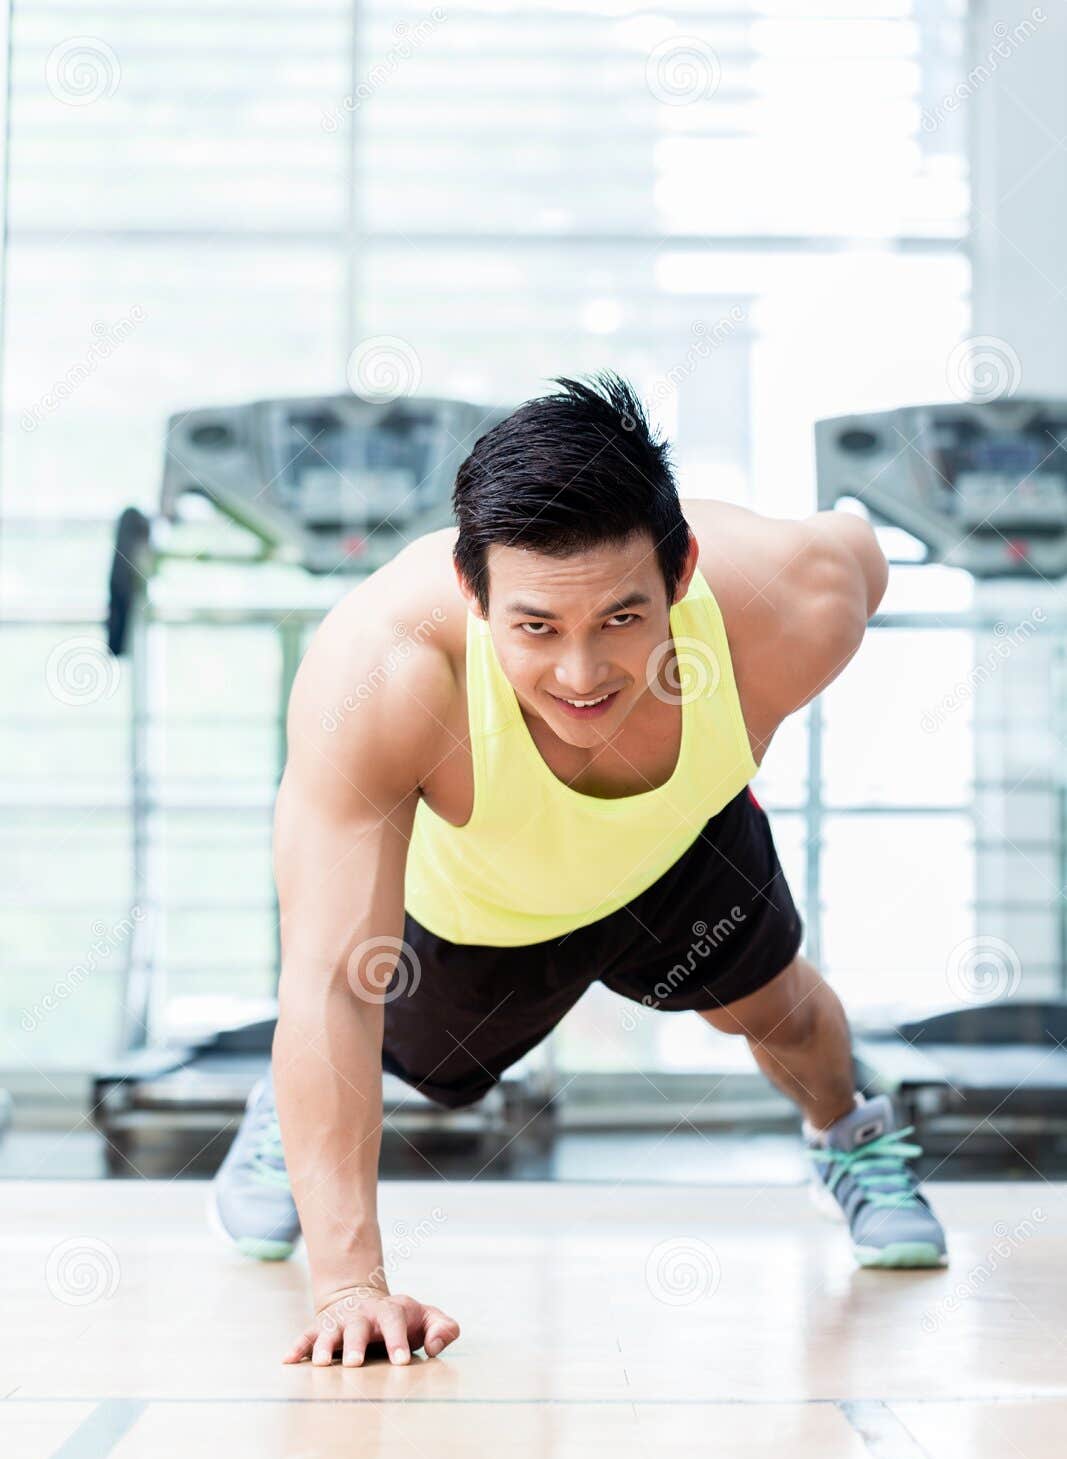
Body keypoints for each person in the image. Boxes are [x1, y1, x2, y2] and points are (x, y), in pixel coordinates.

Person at [209, 372, 948, 1368]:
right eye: (534, 628)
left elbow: (855, 549)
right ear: (472, 593)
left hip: (677, 843)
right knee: (385, 1037)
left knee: (785, 1017)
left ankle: (851, 1139)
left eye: (618, 618)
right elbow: (332, 982)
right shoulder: (380, 674)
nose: (580, 674)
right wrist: (349, 1285)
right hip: (480, 906)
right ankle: (283, 1117)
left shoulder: (790, 603)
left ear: (680, 567)